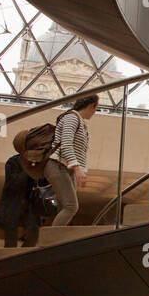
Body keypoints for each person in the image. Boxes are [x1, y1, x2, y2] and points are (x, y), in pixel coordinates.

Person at [45, 94, 98, 226]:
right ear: (91, 105)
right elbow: (66, 144)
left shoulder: (79, 121)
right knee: (71, 206)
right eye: (96, 108)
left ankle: (56, 236)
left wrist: (76, 169)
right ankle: (51, 238)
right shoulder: (72, 118)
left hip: (65, 167)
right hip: (57, 165)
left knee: (65, 207)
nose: (95, 111)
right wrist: (77, 168)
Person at [0, 154, 41, 247]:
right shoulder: (13, 161)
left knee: (34, 233)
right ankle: (12, 255)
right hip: (13, 204)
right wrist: (29, 169)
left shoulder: (37, 162)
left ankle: (23, 254)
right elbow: (12, 182)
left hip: (30, 205)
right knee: (10, 237)